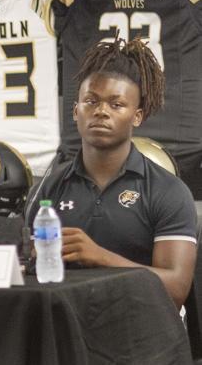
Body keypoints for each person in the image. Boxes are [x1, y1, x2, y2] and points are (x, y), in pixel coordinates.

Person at [28, 37, 197, 307]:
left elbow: (176, 288)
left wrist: (100, 257)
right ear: (75, 111)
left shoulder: (168, 190)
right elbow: (32, 275)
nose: (101, 112)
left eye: (116, 104)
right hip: (67, 330)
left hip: (139, 337)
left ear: (137, 116)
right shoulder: (48, 189)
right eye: (91, 102)